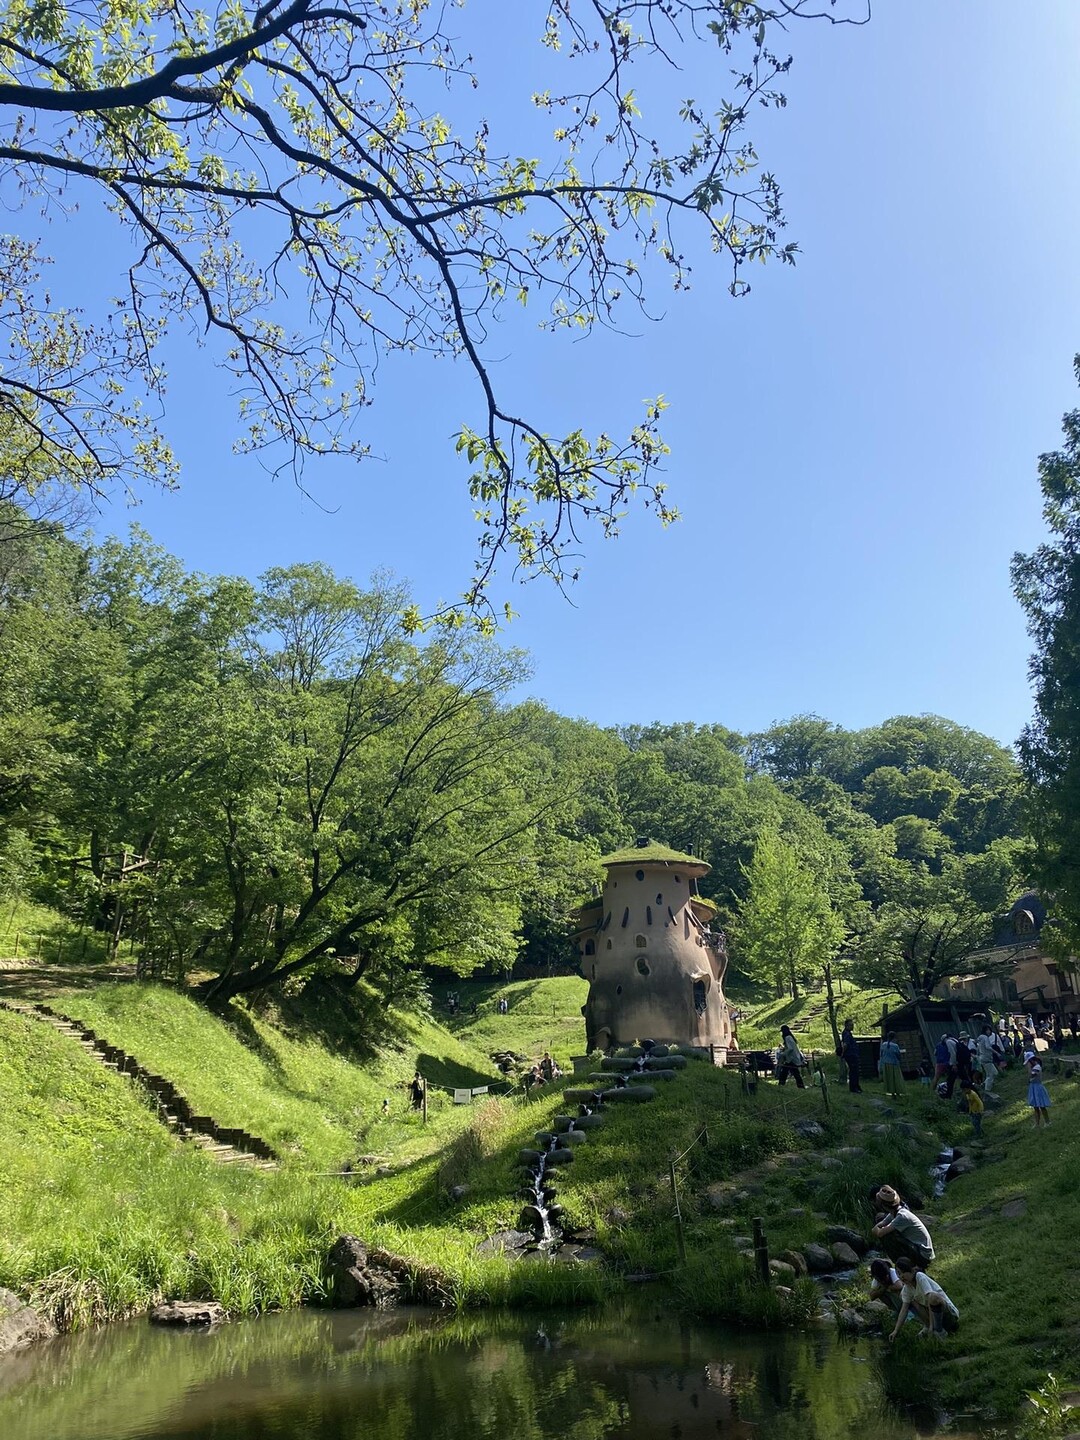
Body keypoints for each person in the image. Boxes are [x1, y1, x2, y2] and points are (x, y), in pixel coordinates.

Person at [888, 1256, 959, 1341]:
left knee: (933, 1297)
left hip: (948, 1313)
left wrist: (932, 1327)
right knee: (907, 1300)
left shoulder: (920, 1277)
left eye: (904, 1272)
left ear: (912, 1270)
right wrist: (895, 1331)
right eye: (899, 1273)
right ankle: (928, 1326)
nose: (901, 1276)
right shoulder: (907, 1288)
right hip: (934, 1316)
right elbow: (904, 1310)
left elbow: (930, 1300)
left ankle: (939, 1331)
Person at [871, 1185, 935, 1267]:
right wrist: (878, 1229)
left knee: (888, 1235)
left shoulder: (902, 1216)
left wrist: (878, 1229)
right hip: (918, 1250)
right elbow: (879, 1226)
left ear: (884, 1206)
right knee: (882, 1222)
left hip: (924, 1256)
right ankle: (901, 1263)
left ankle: (902, 1264)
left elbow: (880, 1233)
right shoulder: (895, 1212)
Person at [1025, 1050, 1052, 1128]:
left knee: (1042, 1106)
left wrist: (1029, 1068)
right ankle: (1037, 1123)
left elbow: (1031, 1076)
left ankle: (1048, 1121)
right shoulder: (1034, 1067)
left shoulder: (1037, 1067)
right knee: (1035, 1107)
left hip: (1038, 1087)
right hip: (1033, 1087)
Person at [975, 1025, 998, 1095]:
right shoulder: (985, 1037)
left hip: (982, 1057)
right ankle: (987, 1089)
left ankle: (983, 1085)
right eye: (989, 1030)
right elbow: (988, 1047)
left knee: (991, 1073)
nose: (990, 1032)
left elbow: (978, 1048)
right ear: (986, 1030)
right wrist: (996, 1052)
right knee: (992, 1074)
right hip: (986, 1058)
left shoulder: (980, 1038)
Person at [879, 1032, 903, 1097]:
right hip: (894, 1064)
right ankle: (898, 1092)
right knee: (896, 1079)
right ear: (894, 1038)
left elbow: (881, 1054)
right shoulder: (895, 1046)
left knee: (889, 1079)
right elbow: (898, 1055)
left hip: (886, 1064)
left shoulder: (884, 1044)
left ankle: (892, 1093)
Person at [841, 1019, 862, 1093]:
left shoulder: (848, 1033)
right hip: (850, 1055)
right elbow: (845, 1044)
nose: (852, 1026)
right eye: (851, 1025)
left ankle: (856, 1086)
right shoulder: (846, 1034)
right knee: (853, 1071)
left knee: (855, 1071)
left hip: (852, 1054)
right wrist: (843, 1053)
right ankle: (853, 1088)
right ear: (846, 1025)